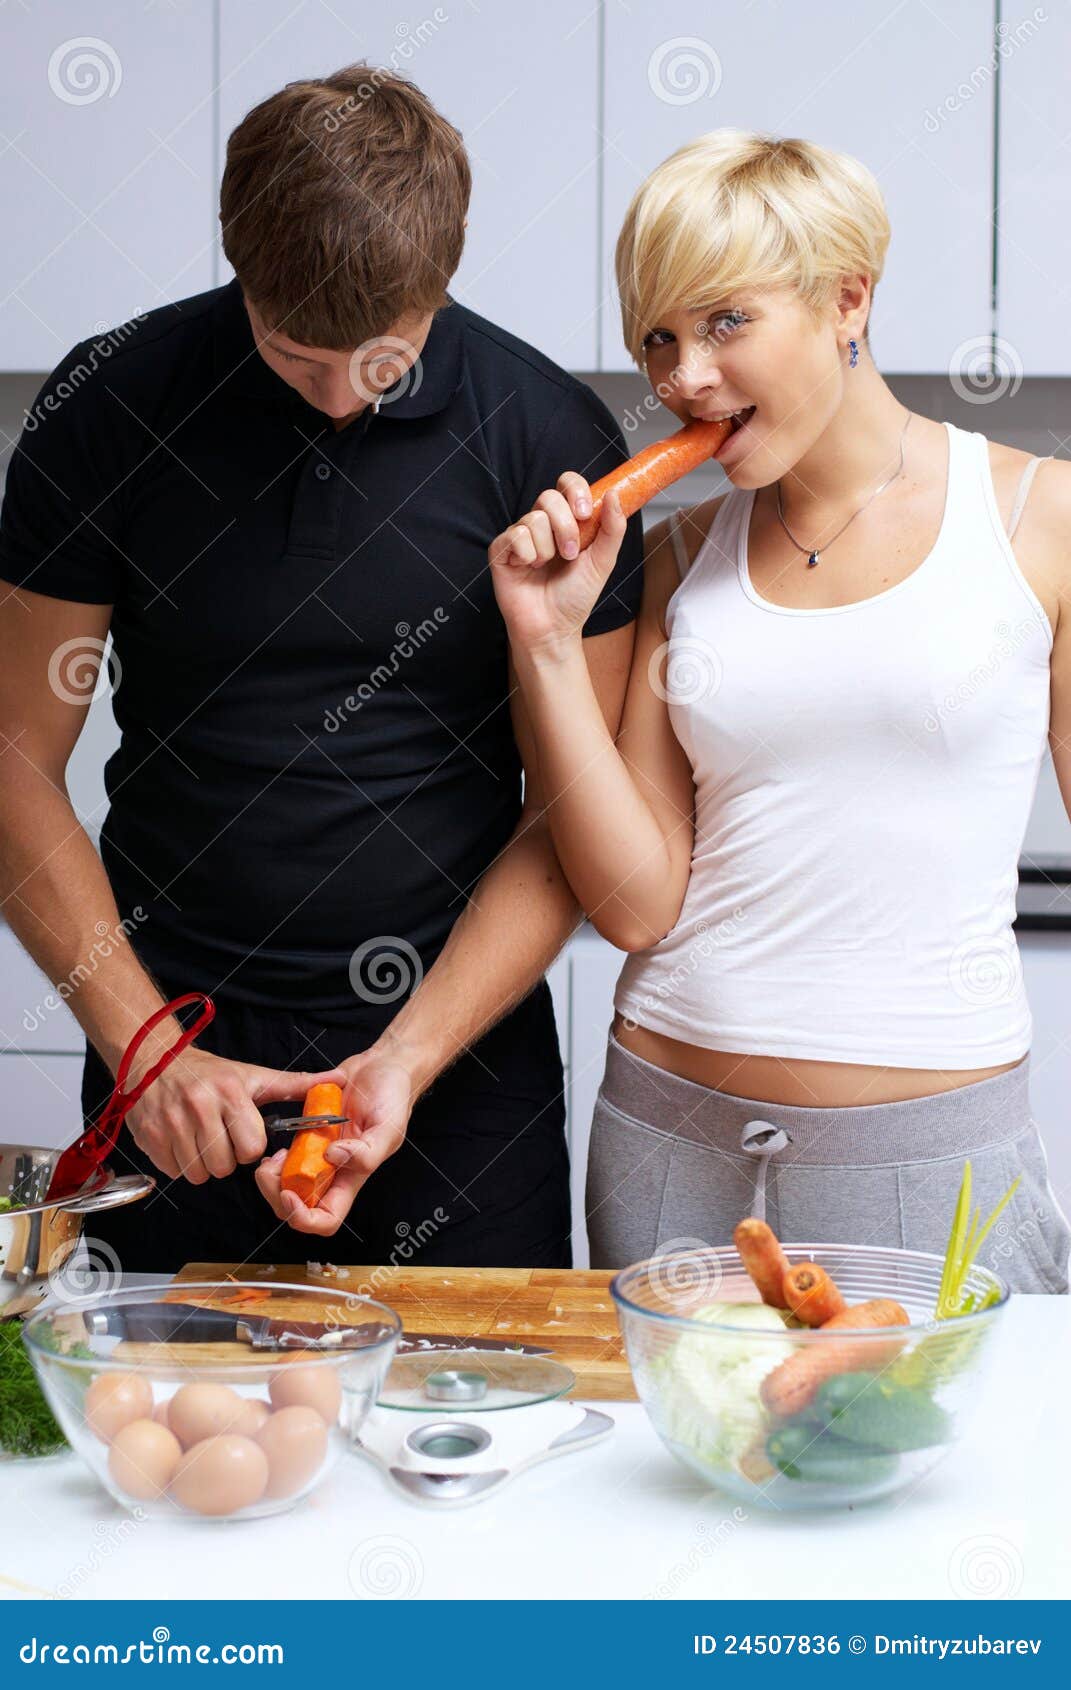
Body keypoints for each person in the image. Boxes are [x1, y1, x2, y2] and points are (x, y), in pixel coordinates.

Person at [0, 65, 642, 1272]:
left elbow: (568, 817)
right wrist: (145, 1054)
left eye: (383, 361)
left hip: (455, 1073)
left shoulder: (551, 442)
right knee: (161, 1447)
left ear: (439, 283)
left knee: (472, 1444)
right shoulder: (110, 408)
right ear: (241, 272)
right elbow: (12, 761)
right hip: (174, 1065)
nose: (342, 397)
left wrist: (406, 1059)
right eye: (297, 357)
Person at [489, 129, 1071, 1293]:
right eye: (659, 337)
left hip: (929, 1161)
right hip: (667, 1149)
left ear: (849, 296)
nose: (683, 378)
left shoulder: (1038, 518)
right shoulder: (675, 554)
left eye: (724, 323)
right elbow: (636, 902)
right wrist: (547, 648)